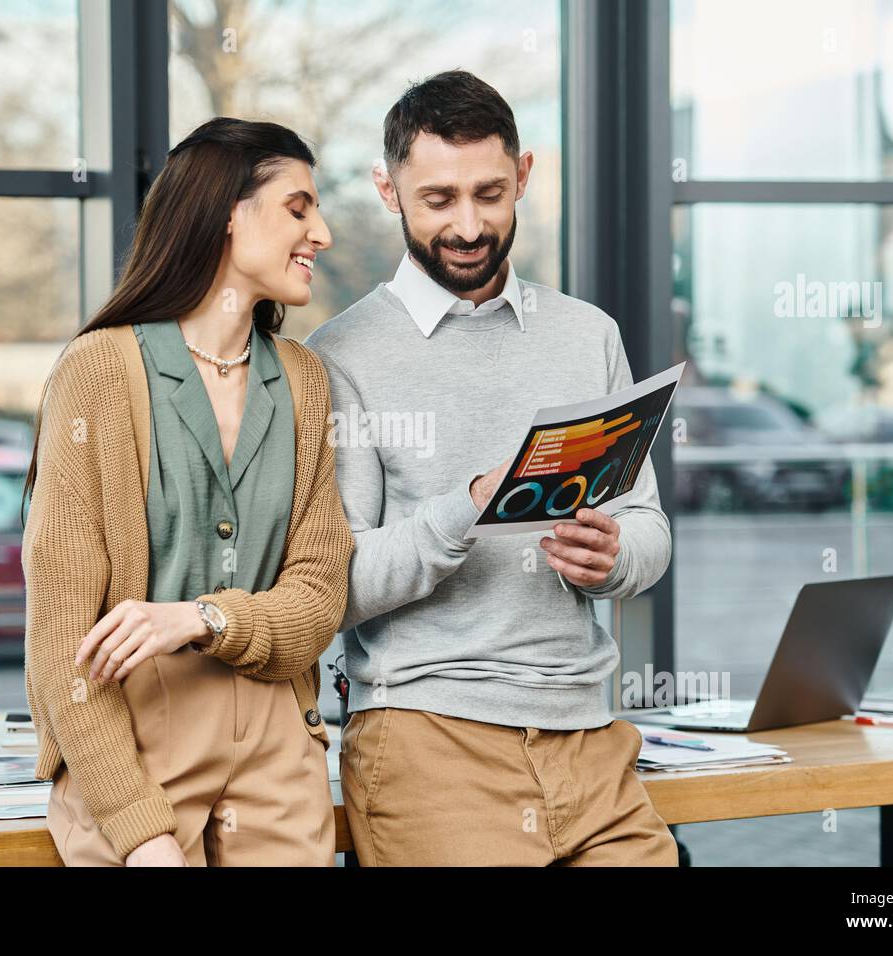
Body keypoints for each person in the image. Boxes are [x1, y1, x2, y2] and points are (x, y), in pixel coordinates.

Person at [305, 70, 679, 866]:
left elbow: (648, 527)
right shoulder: (339, 357)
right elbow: (332, 586)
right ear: (387, 188)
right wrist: (462, 511)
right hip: (427, 738)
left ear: (526, 177)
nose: (470, 226)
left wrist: (614, 557)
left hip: (589, 733)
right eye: (439, 199)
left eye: (491, 193)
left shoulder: (586, 335)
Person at [21, 117, 352, 866]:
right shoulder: (99, 371)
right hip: (134, 758)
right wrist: (141, 831)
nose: (322, 233)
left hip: (280, 761)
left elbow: (319, 598)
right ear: (227, 216)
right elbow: (61, 642)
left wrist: (202, 619)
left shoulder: (304, 380)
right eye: (299, 208)